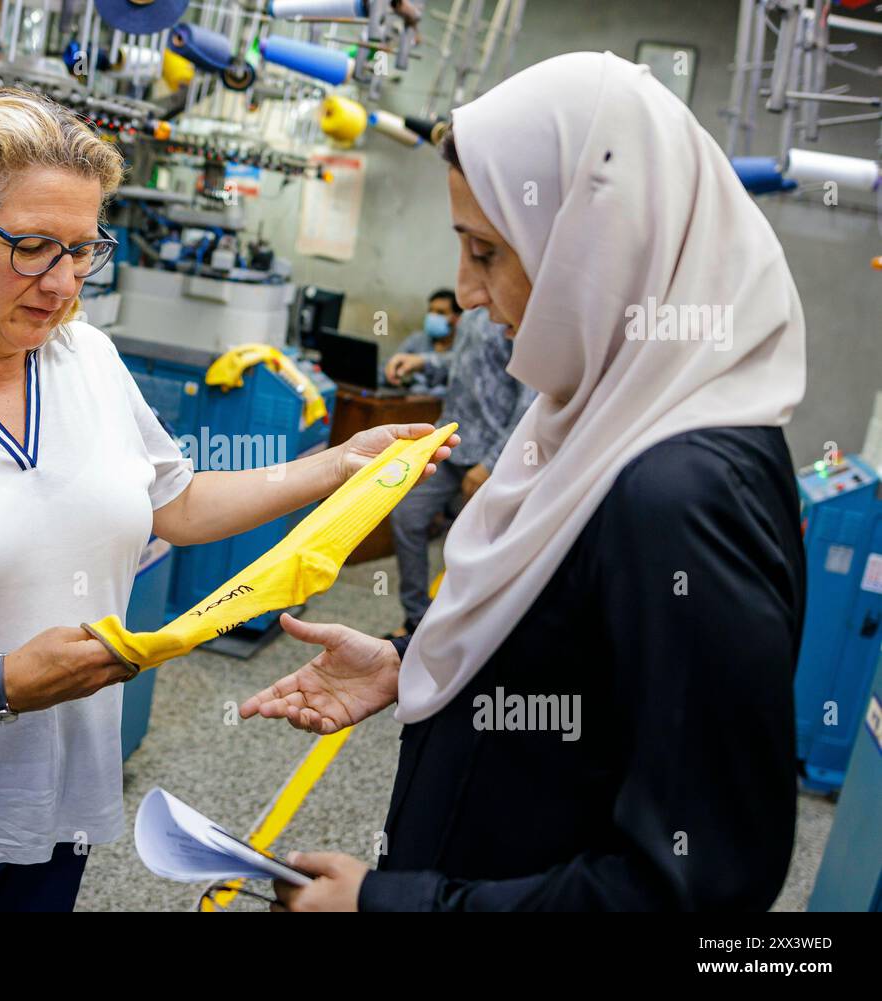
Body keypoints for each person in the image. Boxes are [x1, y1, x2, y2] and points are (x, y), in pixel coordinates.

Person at [0, 88, 456, 912]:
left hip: (59, 805)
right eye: (32, 247)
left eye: (84, 250)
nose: (61, 283)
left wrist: (339, 465)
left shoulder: (84, 357)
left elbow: (178, 501)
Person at [240, 50, 806, 911]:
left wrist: (391, 907)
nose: (466, 292)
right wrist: (410, 661)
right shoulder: (597, 419)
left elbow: (693, 890)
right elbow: (583, 657)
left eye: (487, 252)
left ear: (600, 247)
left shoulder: (683, 496)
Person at [384, 304, 536, 636]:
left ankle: (458, 634)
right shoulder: (472, 315)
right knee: (407, 514)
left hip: (494, 455)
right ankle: (415, 618)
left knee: (476, 547)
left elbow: (530, 402)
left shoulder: (521, 316)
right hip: (451, 442)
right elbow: (466, 363)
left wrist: (491, 464)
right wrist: (422, 361)